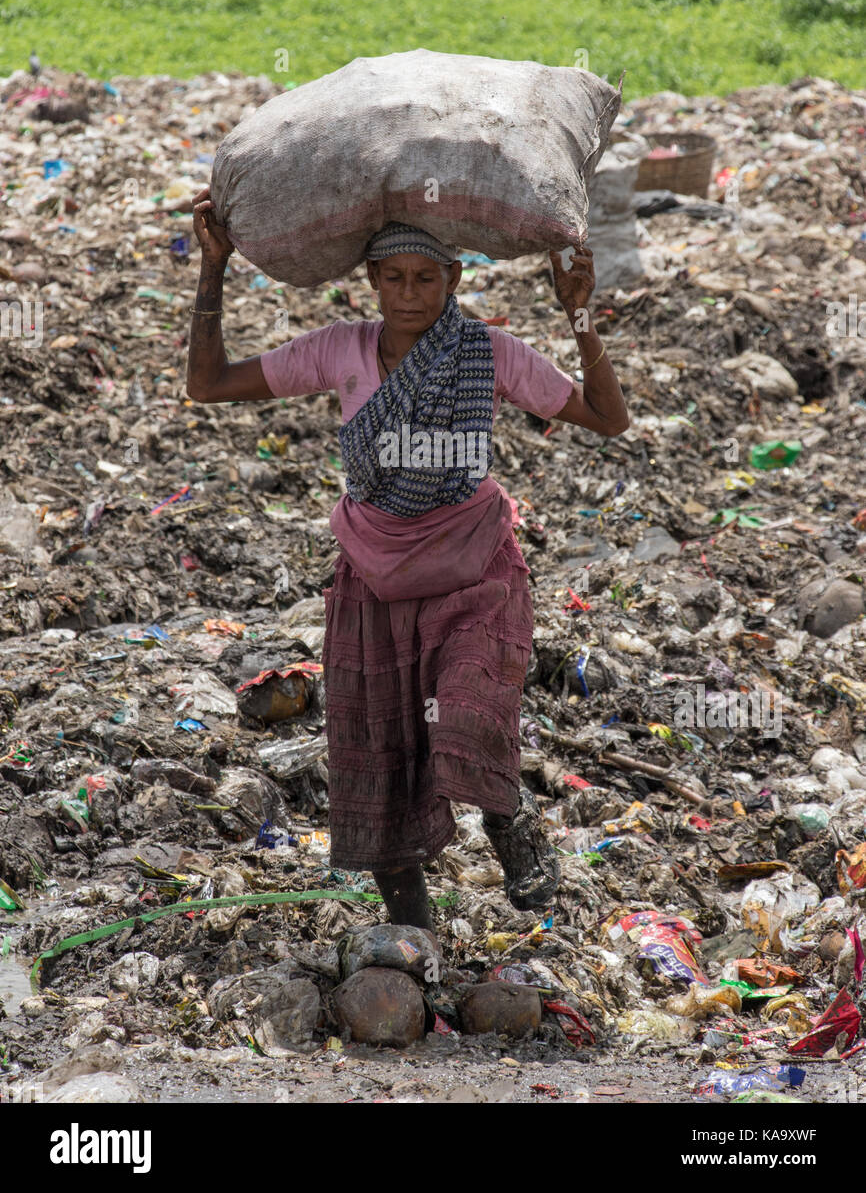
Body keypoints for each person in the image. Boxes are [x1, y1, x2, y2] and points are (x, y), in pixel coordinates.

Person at [188, 192, 629, 933]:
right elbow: (209, 384)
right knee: (381, 756)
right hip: (376, 578)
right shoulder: (340, 350)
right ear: (371, 282)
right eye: (394, 279)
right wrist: (213, 269)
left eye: (426, 279)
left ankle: (509, 818)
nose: (410, 295)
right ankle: (413, 940)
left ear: (454, 280)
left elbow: (607, 418)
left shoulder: (486, 352)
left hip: (472, 570)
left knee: (467, 713)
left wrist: (579, 314)